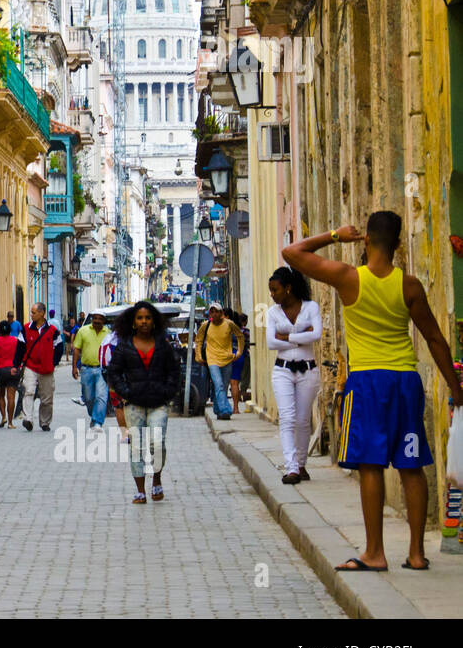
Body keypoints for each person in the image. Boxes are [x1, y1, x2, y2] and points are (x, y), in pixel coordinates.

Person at [282, 212, 463, 572]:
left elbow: (293, 253)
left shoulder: (348, 278)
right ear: (397, 244)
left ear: (366, 240)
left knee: (371, 465)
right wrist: (457, 392)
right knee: (411, 464)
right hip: (405, 381)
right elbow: (435, 340)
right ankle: (415, 553)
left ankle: (374, 553)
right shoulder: (409, 286)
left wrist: (336, 235)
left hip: (367, 383)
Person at [105, 302, 180, 505]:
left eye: (147, 318)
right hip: (133, 404)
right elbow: (114, 372)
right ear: (133, 322)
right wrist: (126, 392)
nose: (144, 321)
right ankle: (140, 491)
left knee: (157, 442)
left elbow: (174, 371)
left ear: (153, 321)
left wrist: (167, 392)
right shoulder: (125, 345)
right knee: (136, 447)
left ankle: (156, 480)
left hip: (158, 403)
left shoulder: (163, 345)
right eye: (140, 318)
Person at [265, 267, 322, 485]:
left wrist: (286, 336)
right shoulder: (273, 313)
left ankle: (301, 464)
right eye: (271, 290)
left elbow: (316, 335)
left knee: (302, 420)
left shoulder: (310, 308)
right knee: (287, 418)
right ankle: (291, 469)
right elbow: (271, 342)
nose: (272, 294)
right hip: (283, 370)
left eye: (275, 290)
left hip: (308, 369)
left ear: (288, 288)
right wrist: (301, 337)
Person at [194, 302, 245, 420]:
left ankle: (218, 409)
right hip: (212, 360)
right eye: (212, 311)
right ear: (209, 314)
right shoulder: (205, 325)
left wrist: (239, 351)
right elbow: (199, 340)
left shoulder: (229, 324)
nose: (214, 314)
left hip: (227, 359)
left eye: (217, 311)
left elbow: (240, 336)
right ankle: (226, 410)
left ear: (221, 313)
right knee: (219, 385)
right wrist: (198, 356)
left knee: (224, 386)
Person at [19, 304, 59, 432]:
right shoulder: (25, 329)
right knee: (28, 391)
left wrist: (53, 363)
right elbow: (20, 347)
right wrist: (16, 364)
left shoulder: (53, 330)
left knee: (46, 397)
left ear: (42, 313)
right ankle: (28, 419)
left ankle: (45, 422)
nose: (32, 315)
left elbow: (59, 347)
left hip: (47, 368)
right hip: (31, 366)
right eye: (31, 313)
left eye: (34, 313)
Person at [72, 310, 112, 430]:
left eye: (100, 319)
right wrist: (74, 367)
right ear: (92, 319)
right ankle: (93, 416)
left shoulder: (108, 333)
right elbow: (76, 349)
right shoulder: (83, 331)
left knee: (101, 396)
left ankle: (97, 422)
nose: (97, 321)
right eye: (95, 318)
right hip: (86, 369)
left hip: (102, 370)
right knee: (89, 398)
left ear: (104, 321)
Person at [0, 321, 23, 428]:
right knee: (11, 397)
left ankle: (3, 417)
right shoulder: (15, 340)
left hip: (0, 370)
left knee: (0, 395)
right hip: (13, 370)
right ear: (10, 330)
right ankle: (10, 422)